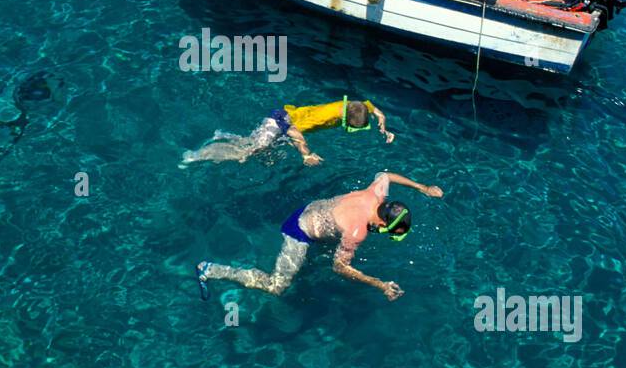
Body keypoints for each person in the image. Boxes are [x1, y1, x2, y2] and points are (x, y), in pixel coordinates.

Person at [195, 171, 442, 301]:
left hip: (310, 209)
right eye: (389, 232)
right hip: (298, 232)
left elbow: (387, 174)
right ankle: (211, 269)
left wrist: (423, 188)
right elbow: (339, 267)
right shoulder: (357, 232)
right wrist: (380, 285)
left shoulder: (375, 194)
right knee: (276, 287)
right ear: (383, 221)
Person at [182, 96, 394, 167]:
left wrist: (382, 124)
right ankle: (196, 155)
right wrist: (306, 155)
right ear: (346, 120)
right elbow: (294, 131)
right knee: (246, 153)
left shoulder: (354, 105)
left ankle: (224, 138)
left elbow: (371, 106)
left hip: (284, 121)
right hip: (280, 122)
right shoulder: (326, 116)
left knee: (261, 155)